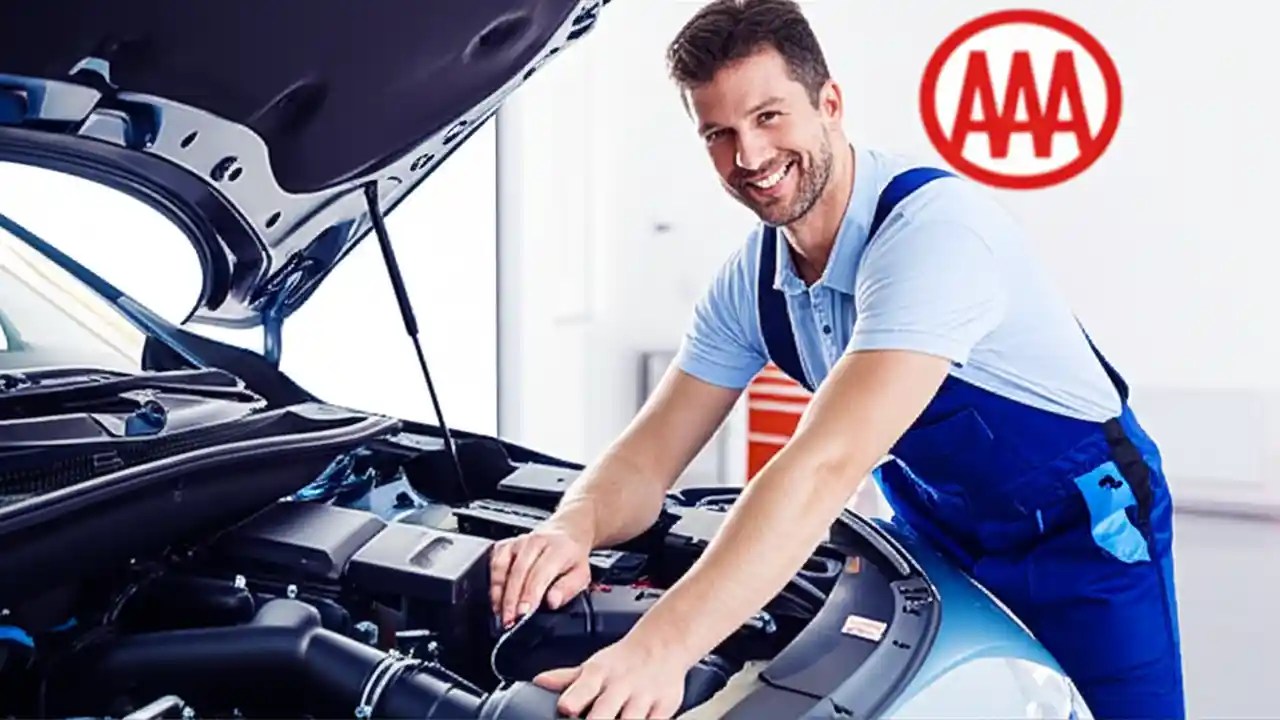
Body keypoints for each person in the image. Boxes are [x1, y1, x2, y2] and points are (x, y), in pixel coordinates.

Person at [488, 0, 1185, 717]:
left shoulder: (934, 236)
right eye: (719, 134)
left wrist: (663, 647)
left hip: (1085, 533)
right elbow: (645, 459)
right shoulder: (751, 283)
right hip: (936, 525)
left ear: (830, 103)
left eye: (769, 117)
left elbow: (822, 465)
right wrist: (572, 525)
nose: (749, 158)